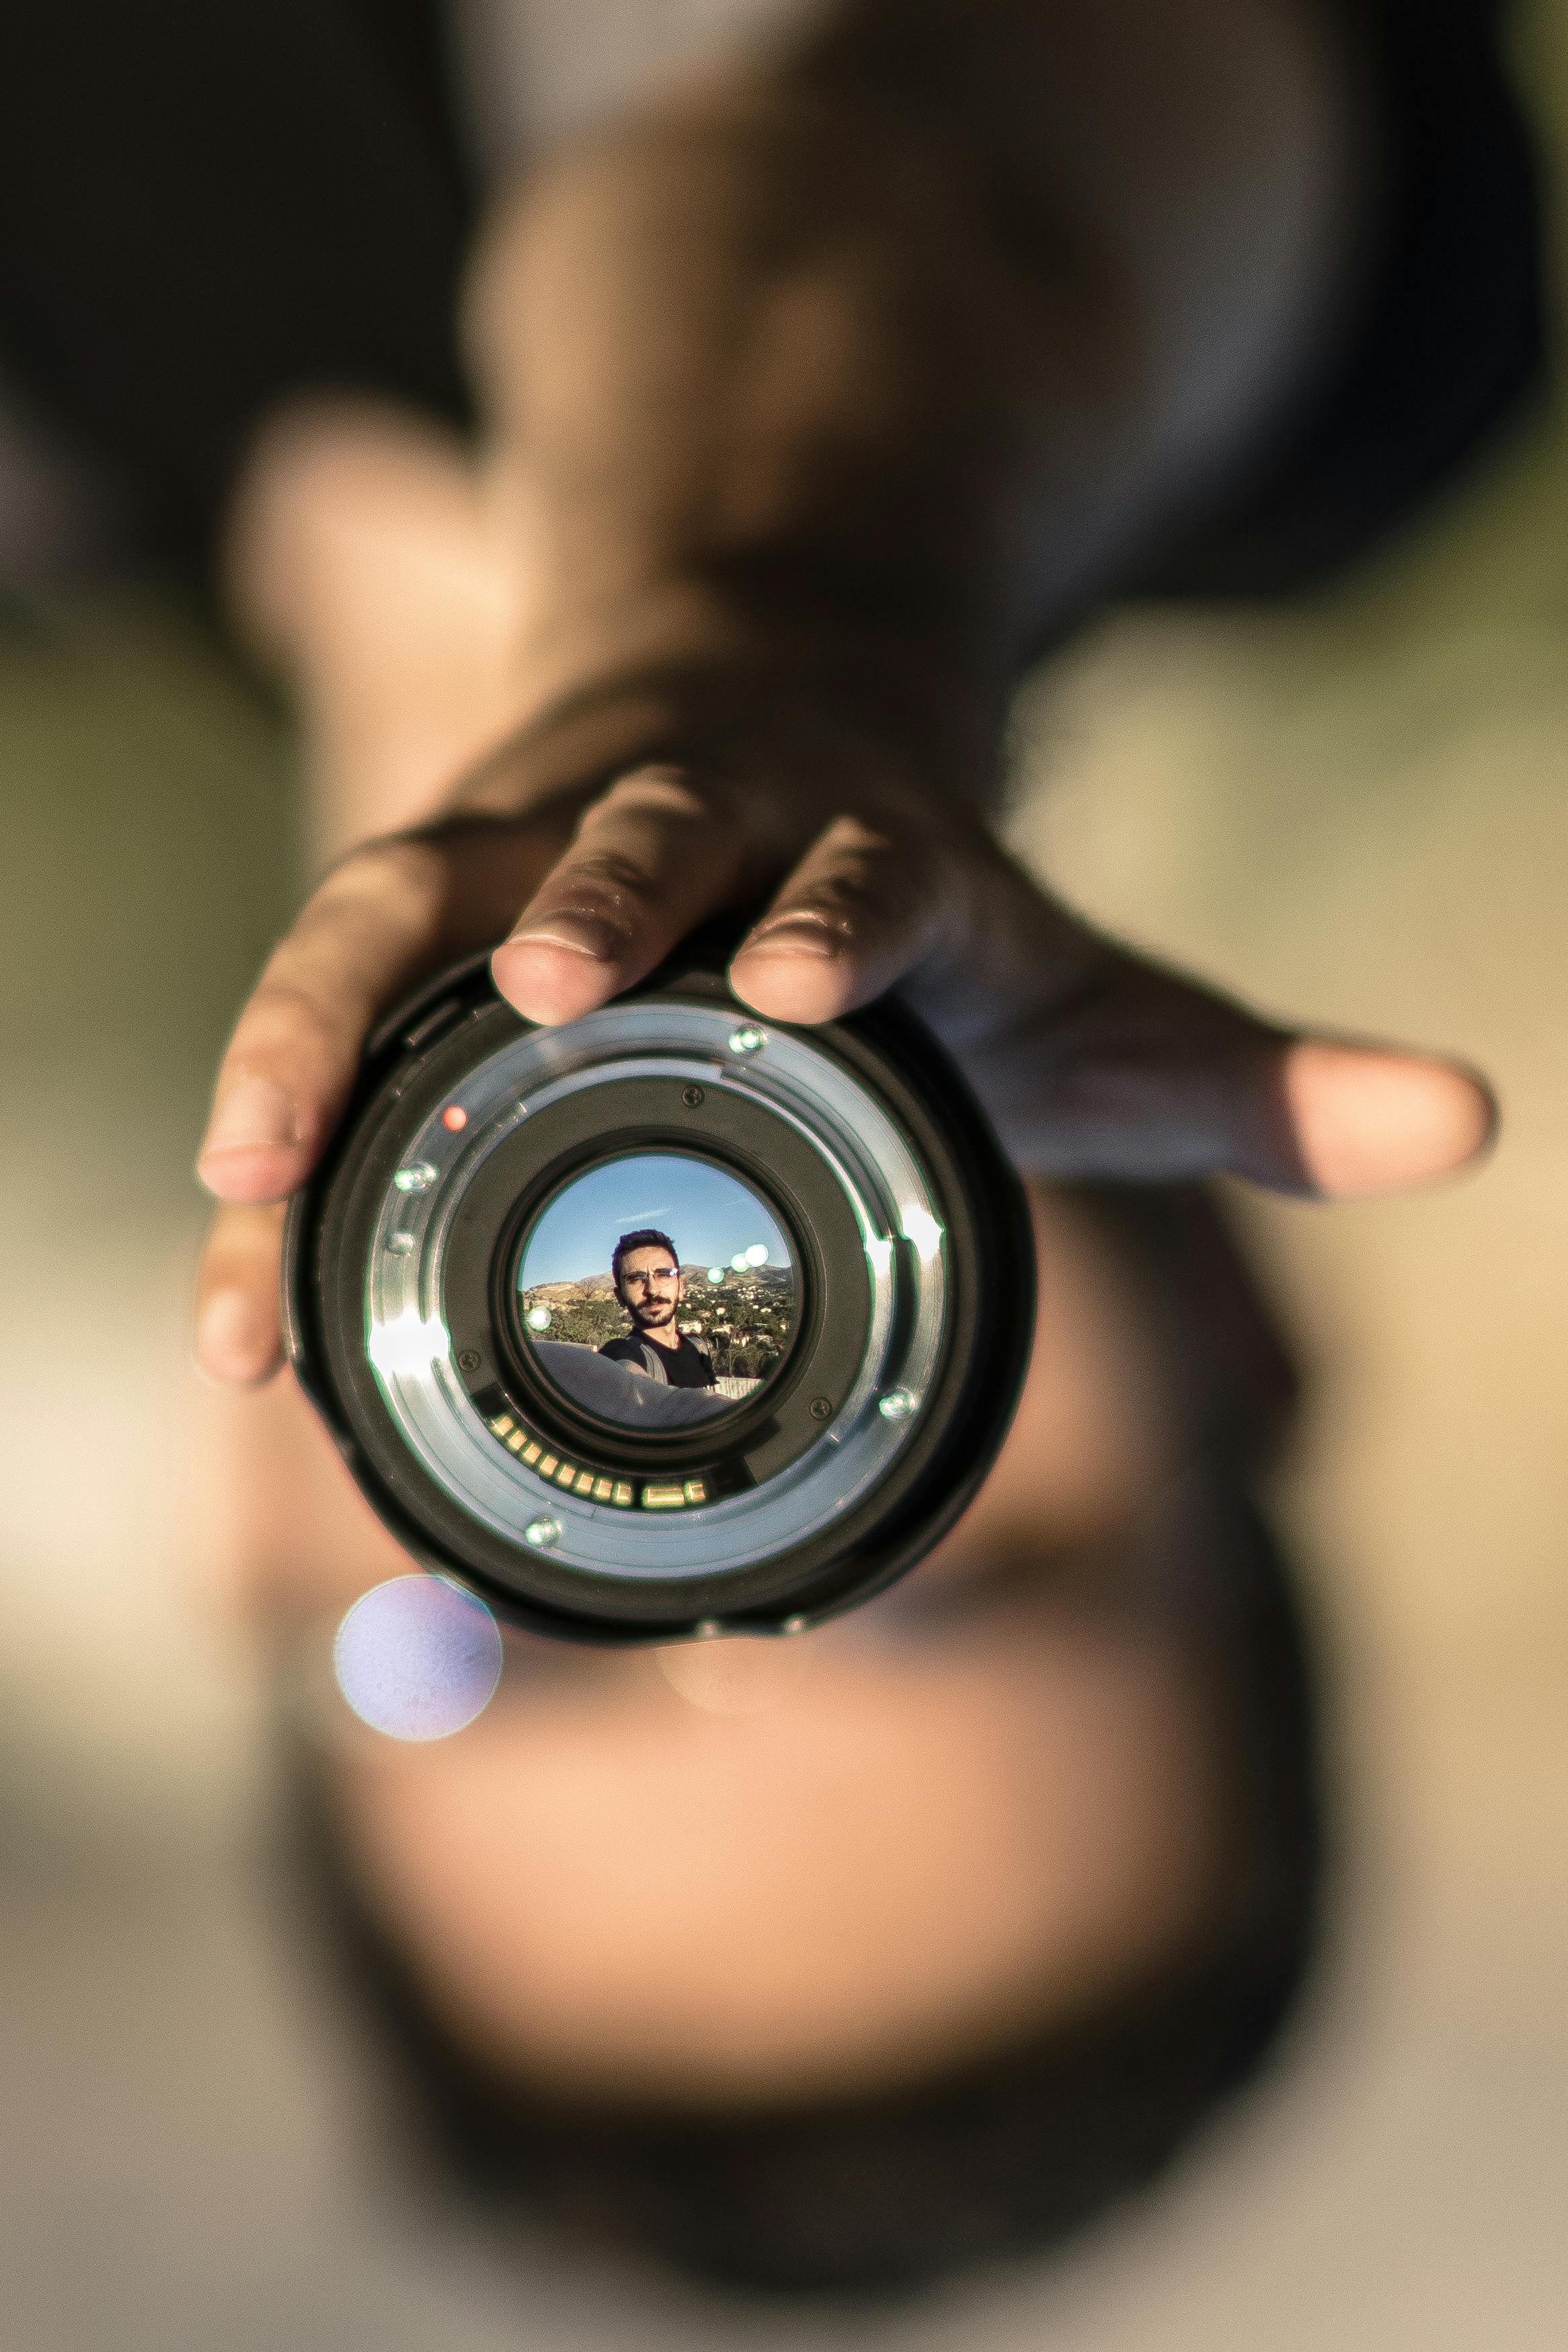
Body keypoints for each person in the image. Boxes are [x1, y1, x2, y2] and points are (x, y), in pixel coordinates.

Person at [0, 0, 1540, 2300]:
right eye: (941, 1560)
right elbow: (953, 169)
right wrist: (772, 612)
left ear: (240, 1528)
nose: (699, 1456)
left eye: (497, 1648)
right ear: (1228, 1313)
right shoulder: (1324, 363)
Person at [598, 1228, 719, 1386]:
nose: (652, 1290)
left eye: (664, 1274)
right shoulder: (620, 1354)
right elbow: (627, 1373)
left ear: (681, 1288)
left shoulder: (699, 1347)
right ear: (620, 1296)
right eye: (635, 1279)